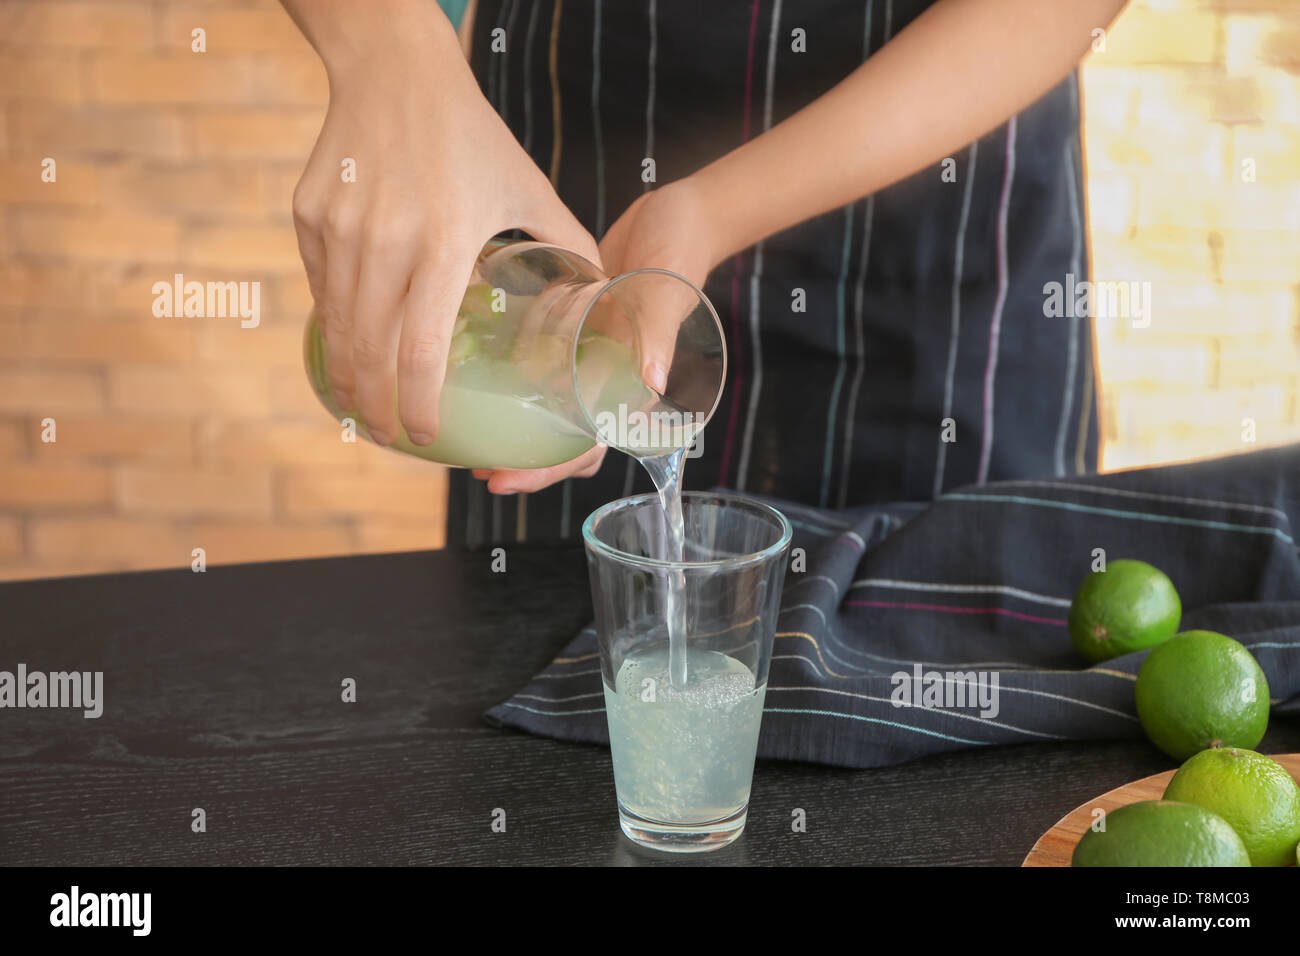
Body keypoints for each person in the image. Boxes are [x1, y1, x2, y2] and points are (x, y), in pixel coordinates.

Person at [280, 0, 1126, 547]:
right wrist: (389, 52)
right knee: (549, 700)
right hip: (582, 214)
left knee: (962, 720)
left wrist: (709, 210)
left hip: (942, 234)